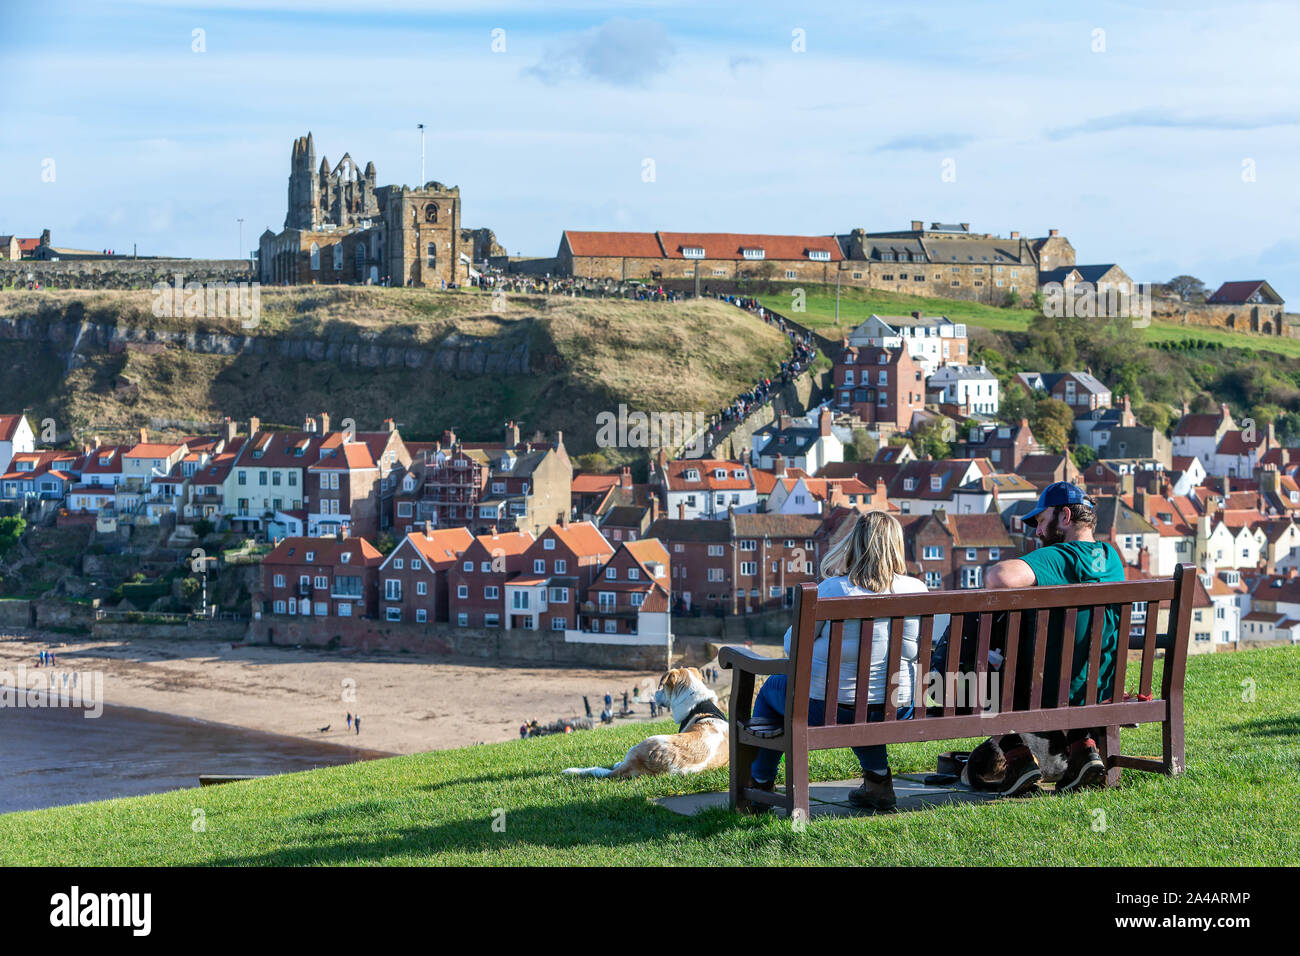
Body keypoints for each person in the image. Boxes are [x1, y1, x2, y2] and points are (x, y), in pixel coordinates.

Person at [746, 511, 939, 812]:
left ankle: (759, 785)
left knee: (774, 688)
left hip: (828, 708)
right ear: (898, 545)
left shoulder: (834, 589)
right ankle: (878, 782)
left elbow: (791, 648)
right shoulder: (917, 589)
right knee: (866, 702)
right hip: (899, 706)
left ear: (855, 543)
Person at [984, 481, 1125, 796]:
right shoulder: (1111, 557)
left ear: (1064, 516)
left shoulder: (1059, 557)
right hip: (1100, 686)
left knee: (968, 677)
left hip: (1048, 692)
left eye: (1040, 520)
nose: (1036, 531)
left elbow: (998, 577)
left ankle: (1018, 759)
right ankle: (1082, 750)